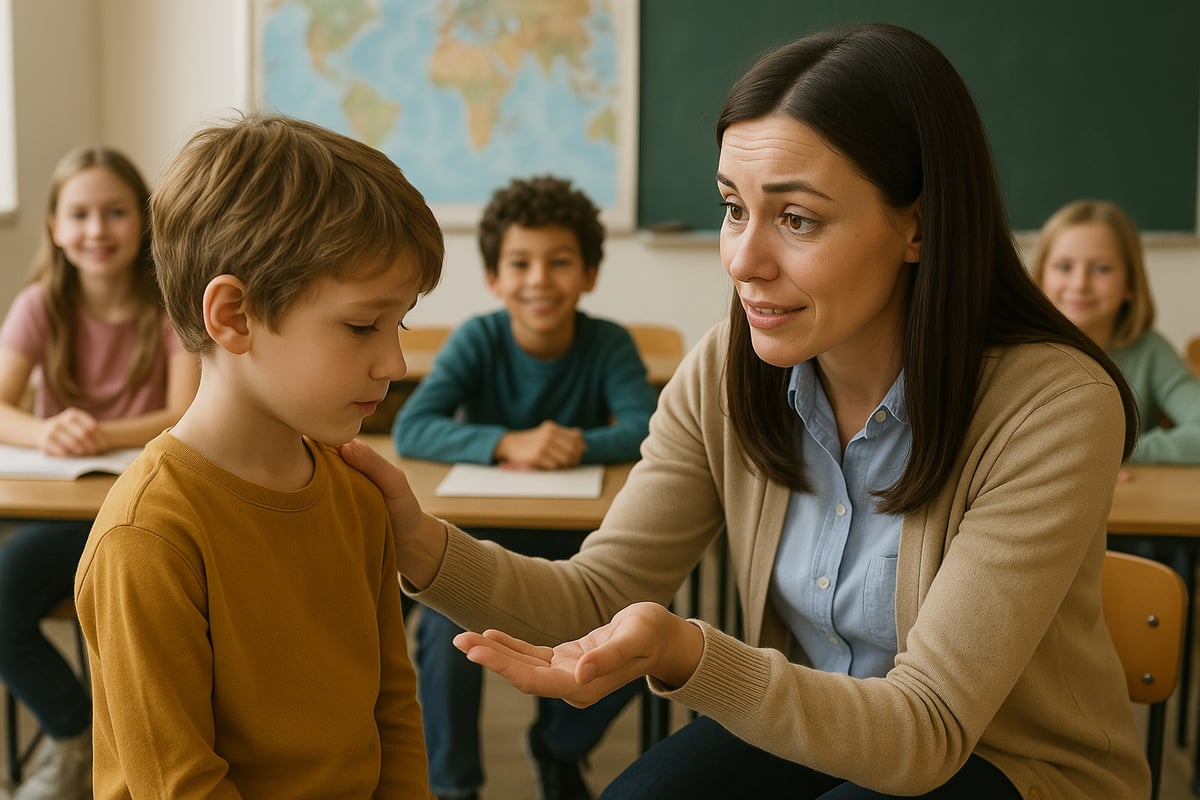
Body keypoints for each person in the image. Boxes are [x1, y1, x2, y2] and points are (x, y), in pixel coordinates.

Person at [341, 22, 1151, 799]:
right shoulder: (728, 370)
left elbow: (926, 730)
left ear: (919, 224)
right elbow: (597, 592)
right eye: (734, 207)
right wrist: (419, 545)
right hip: (822, 722)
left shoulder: (1053, 405)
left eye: (797, 219)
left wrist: (692, 652)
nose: (743, 260)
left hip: (1006, 763)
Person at [73, 114, 443, 798]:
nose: (393, 359)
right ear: (235, 317)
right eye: (363, 325)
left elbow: (392, 709)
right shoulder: (147, 536)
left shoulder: (356, 493)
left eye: (400, 323)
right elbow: (180, 785)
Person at [393, 175, 657, 800]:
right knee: (442, 626)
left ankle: (558, 745)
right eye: (520, 263)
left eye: (560, 262)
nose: (539, 279)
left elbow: (648, 426)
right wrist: (506, 443)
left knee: (635, 624)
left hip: (580, 543)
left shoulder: (607, 343)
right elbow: (413, 426)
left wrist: (573, 443)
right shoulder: (479, 339)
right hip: (478, 536)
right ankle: (454, 785)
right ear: (494, 278)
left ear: (589, 274)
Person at [0, 145, 199, 800]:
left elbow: (184, 411)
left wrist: (96, 433)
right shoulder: (39, 304)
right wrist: (48, 430)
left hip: (151, 515)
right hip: (60, 519)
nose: (97, 229)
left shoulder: (170, 301)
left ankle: (144, 757)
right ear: (55, 226)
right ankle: (72, 736)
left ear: (141, 222)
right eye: (80, 214)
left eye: (115, 212)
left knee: (144, 620)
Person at [1031, 199, 1200, 465]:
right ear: (1039, 278)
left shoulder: (1150, 351)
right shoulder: (1017, 353)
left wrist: (1113, 451)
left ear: (1129, 284)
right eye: (1064, 267)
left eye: (1102, 269)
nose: (1080, 284)